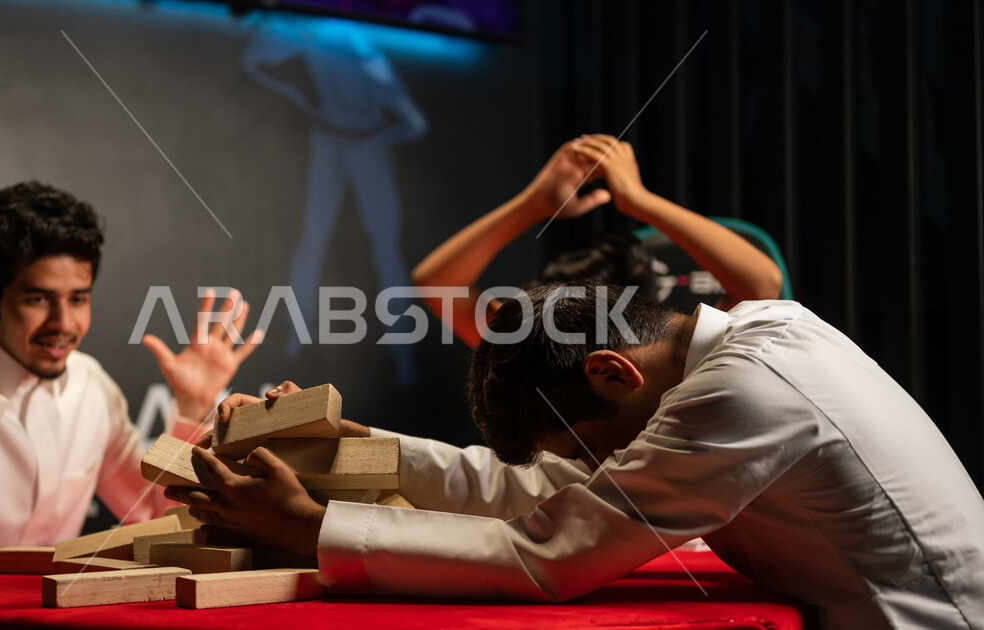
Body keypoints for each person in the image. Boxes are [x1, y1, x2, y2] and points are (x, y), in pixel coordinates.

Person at [168, 283, 984, 629]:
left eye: (601, 445)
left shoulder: (745, 390)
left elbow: (550, 549)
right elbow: (532, 487)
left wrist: (311, 527)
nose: (608, 464)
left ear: (608, 371)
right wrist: (353, 447)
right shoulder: (758, 332)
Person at [0, 182, 262, 572]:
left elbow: (157, 515)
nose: (64, 323)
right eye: (39, 299)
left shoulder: (91, 384)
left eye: (78, 299)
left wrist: (190, 407)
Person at [411, 133, 783, 348]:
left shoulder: (681, 356)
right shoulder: (535, 344)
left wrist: (638, 200)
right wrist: (534, 203)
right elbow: (438, 283)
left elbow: (762, 283)